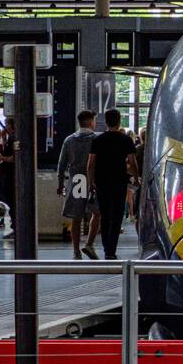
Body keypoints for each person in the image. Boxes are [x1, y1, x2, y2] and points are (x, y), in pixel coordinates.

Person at [87, 109, 137, 260]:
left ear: (106, 121)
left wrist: (91, 182)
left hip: (102, 181)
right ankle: (111, 250)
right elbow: (132, 161)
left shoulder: (98, 140)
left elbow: (91, 163)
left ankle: (106, 247)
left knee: (105, 214)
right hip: (119, 181)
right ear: (119, 120)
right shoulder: (125, 140)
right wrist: (136, 176)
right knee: (116, 216)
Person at [57, 110, 101, 260]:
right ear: (90, 122)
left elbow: (61, 164)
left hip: (76, 180)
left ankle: (76, 251)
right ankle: (89, 243)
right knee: (96, 212)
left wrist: (60, 183)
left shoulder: (69, 140)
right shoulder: (97, 139)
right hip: (93, 180)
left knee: (76, 217)